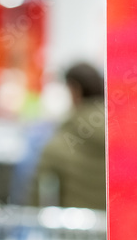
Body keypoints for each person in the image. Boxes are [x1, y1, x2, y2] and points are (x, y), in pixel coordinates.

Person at [30, 62, 106, 210]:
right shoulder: (124, 132)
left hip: (73, 230)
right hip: (116, 229)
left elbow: (36, 195)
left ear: (74, 90)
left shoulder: (60, 141)